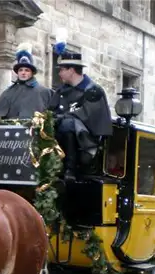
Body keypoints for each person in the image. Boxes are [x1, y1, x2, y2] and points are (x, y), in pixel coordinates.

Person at [48, 52, 113, 181]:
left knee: (68, 124)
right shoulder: (61, 91)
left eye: (62, 70)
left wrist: (63, 117)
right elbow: (50, 111)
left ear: (71, 70)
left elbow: (89, 116)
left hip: (86, 143)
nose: (59, 73)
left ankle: (69, 169)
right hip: (60, 138)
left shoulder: (93, 90)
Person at [0, 43, 53, 119]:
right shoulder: (8, 92)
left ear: (32, 73)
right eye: (20, 70)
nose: (23, 72)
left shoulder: (44, 92)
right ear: (17, 73)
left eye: (27, 70)